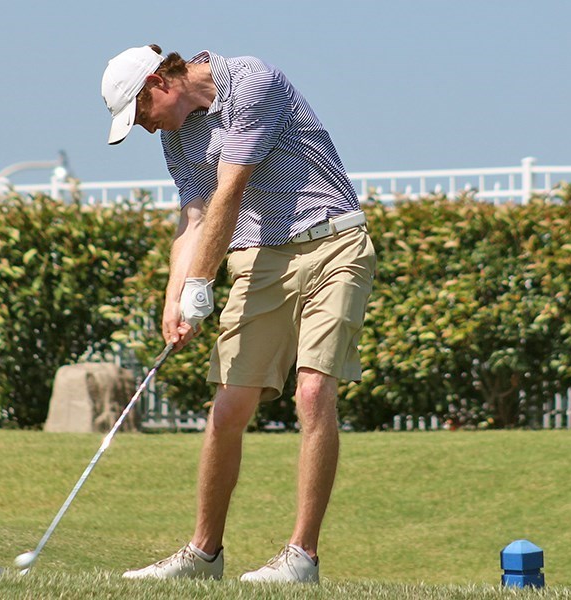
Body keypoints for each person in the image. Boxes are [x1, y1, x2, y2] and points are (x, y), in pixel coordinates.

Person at [100, 44, 376, 583]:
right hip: (260, 259)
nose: (147, 128)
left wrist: (202, 282)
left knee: (314, 391)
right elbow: (196, 215)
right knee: (227, 408)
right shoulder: (178, 134)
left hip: (334, 243)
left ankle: (302, 557)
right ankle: (204, 555)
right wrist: (173, 297)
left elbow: (231, 189)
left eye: (142, 114)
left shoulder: (251, 82)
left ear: (160, 82)